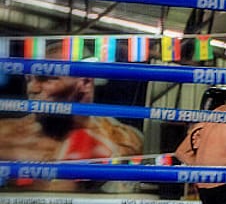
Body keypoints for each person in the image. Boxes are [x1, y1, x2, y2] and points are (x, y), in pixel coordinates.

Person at [0, 71, 143, 190]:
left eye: (46, 79)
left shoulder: (121, 140)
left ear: (85, 82)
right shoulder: (5, 135)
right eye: (29, 79)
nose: (32, 89)